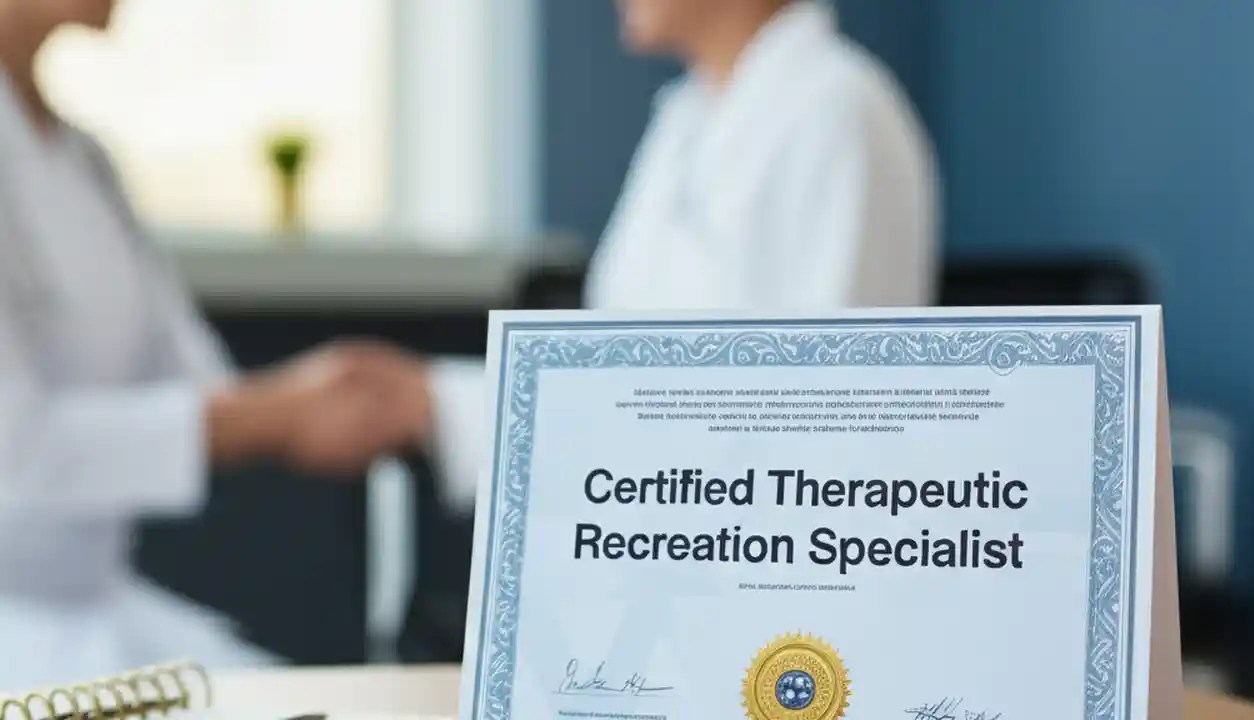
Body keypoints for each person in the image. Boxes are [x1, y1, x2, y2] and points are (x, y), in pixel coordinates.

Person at [0, 0, 431, 689]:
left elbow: (197, 379)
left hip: (102, 608)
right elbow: (15, 457)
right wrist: (271, 416)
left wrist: (339, 401)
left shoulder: (82, 158)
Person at [426, 0, 941, 511]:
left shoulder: (838, 115)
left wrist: (446, 409)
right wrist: (442, 404)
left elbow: (816, 423)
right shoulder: (686, 118)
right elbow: (624, 382)